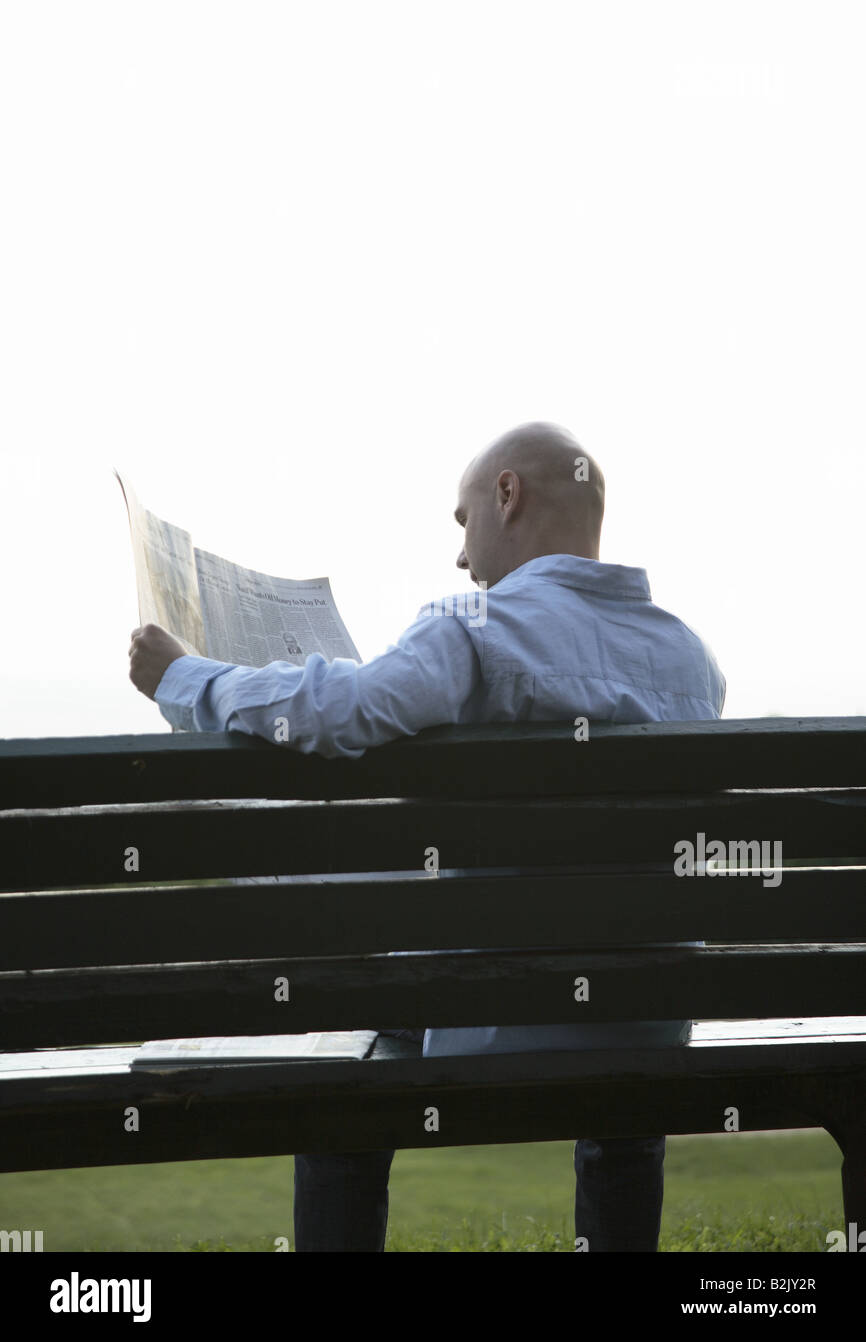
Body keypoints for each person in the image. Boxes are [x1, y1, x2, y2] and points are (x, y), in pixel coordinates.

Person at [129, 420, 725, 1251]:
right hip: (642, 1025)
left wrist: (187, 677)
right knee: (621, 1035)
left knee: (342, 1071)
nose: (460, 555)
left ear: (507, 496)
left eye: (464, 518)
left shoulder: (476, 627)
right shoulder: (691, 662)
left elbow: (340, 711)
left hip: (483, 1022)